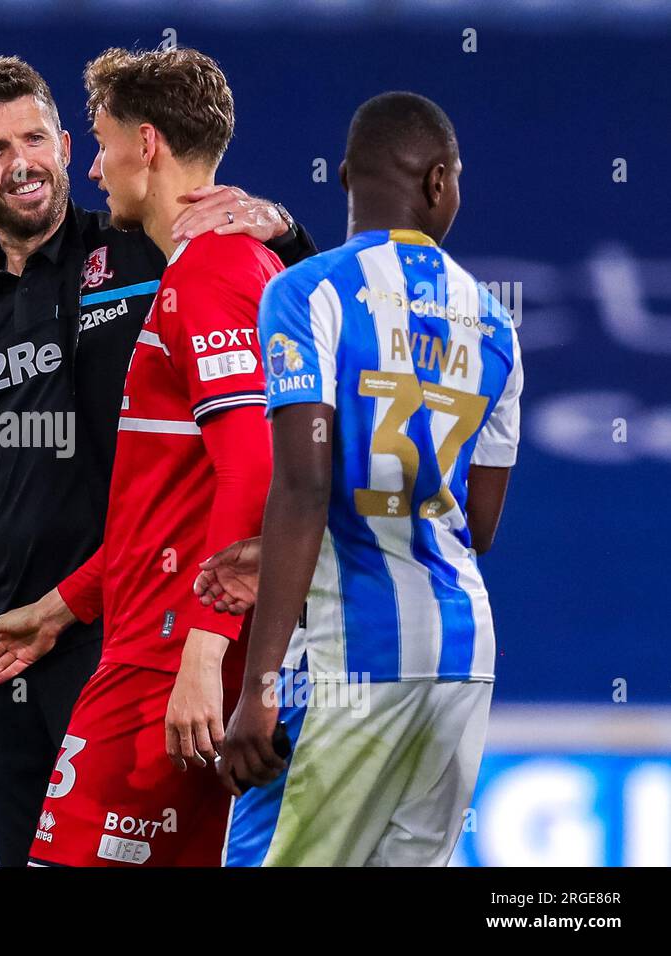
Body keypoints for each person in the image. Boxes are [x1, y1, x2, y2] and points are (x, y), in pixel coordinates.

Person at [0, 55, 316, 866]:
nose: (22, 162)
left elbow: (295, 341)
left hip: (134, 632)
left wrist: (284, 228)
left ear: (62, 142)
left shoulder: (156, 252)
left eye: (37, 138)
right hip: (14, 646)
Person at [215, 91, 522, 866]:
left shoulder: (307, 291)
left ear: (347, 176)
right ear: (441, 182)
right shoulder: (493, 322)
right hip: (461, 657)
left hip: (345, 660)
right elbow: (475, 527)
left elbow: (304, 488)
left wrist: (257, 686)